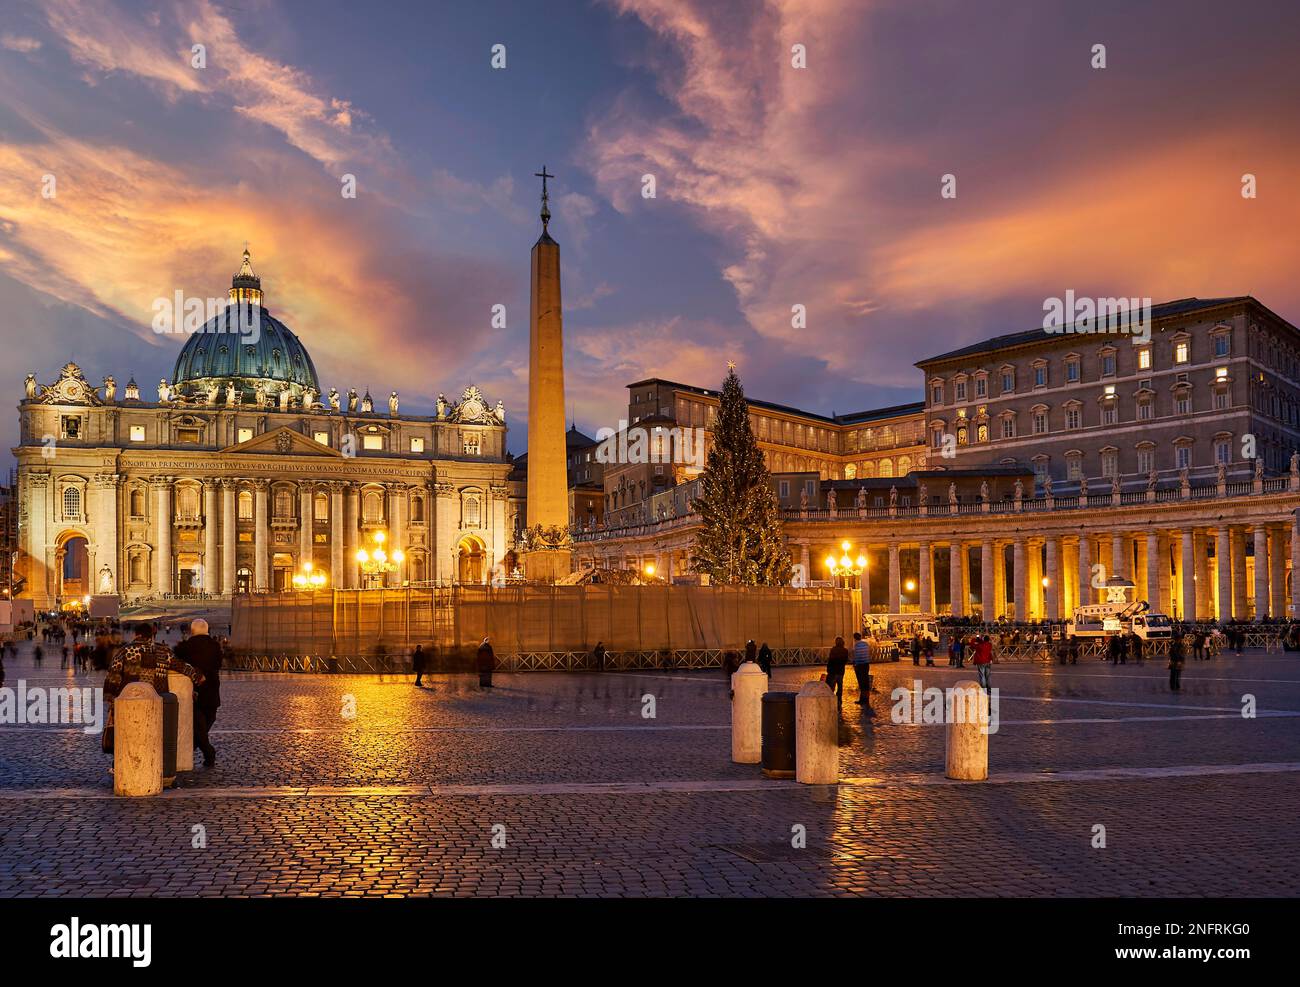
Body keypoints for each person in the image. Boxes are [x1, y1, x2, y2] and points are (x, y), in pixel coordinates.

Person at [103, 623, 205, 756]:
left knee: (128, 736)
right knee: (152, 734)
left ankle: (122, 765)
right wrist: (198, 676)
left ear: (136, 634)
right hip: (156, 701)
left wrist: (110, 698)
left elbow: (113, 677)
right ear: (151, 635)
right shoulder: (163, 651)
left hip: (130, 702)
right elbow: (181, 666)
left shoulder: (125, 651)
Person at [174, 619, 222, 767]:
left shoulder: (185, 647)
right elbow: (218, 664)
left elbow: (177, 663)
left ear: (192, 631)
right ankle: (205, 752)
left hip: (193, 691)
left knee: (198, 726)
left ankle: (204, 751)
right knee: (207, 721)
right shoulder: (215, 646)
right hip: (212, 691)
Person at [850, 632, 872, 709]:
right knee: (866, 682)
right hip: (866, 664)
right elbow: (869, 653)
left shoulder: (855, 645)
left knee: (861, 683)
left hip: (859, 665)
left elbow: (854, 655)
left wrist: (853, 663)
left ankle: (862, 699)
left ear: (854, 638)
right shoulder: (866, 644)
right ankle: (866, 699)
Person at [826, 636, 849, 708]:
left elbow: (830, 660)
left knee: (831, 687)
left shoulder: (833, 650)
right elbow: (846, 660)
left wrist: (828, 669)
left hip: (833, 671)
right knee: (840, 686)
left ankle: (831, 700)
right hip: (841, 671)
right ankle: (839, 700)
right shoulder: (845, 650)